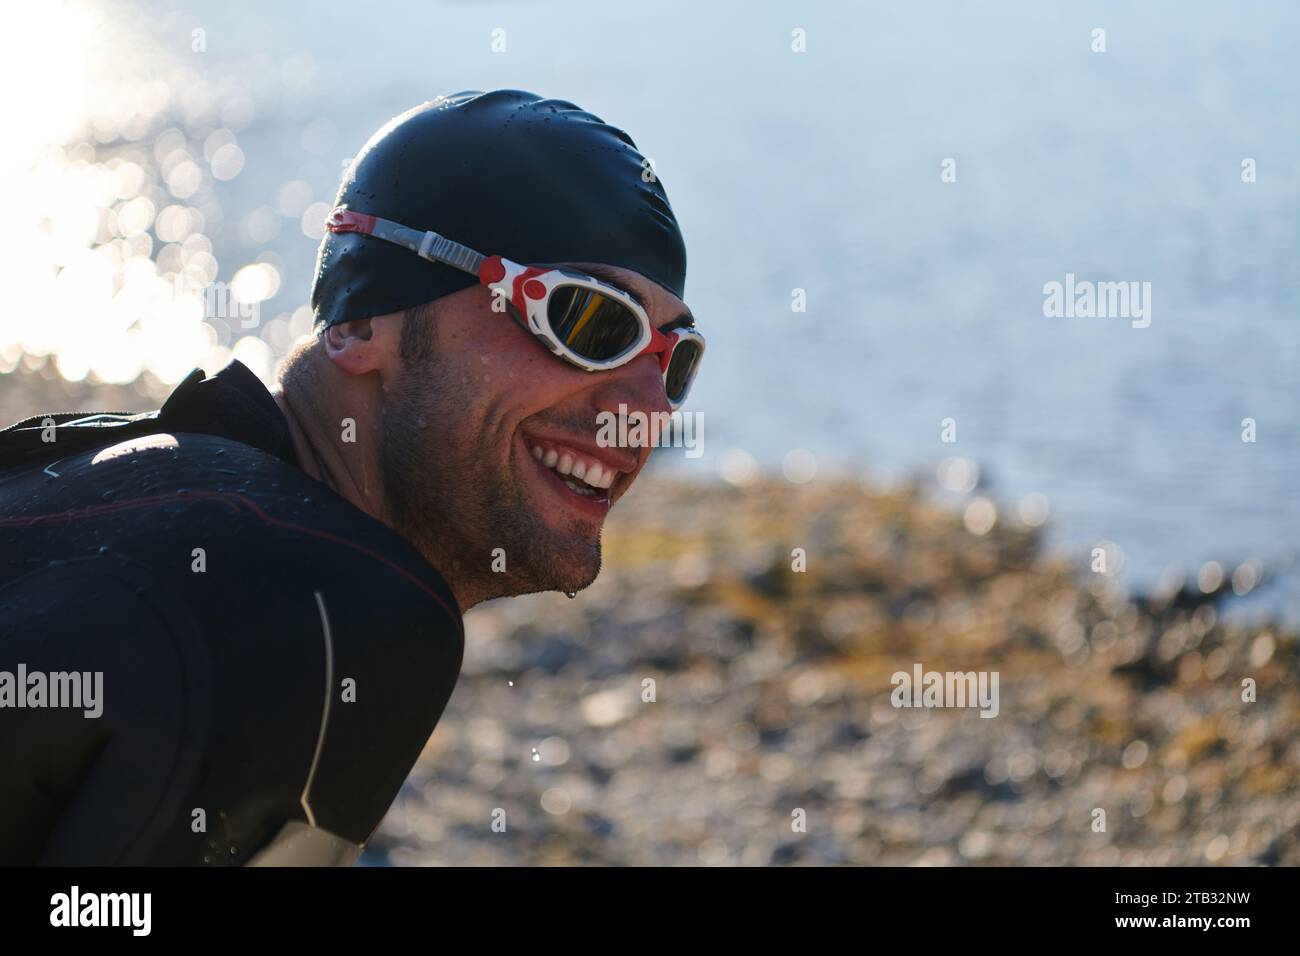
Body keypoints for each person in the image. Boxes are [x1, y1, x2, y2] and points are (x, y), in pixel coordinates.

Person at [0, 89, 702, 865]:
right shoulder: (340, 607)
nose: (644, 410)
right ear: (364, 321)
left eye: (675, 360)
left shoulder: (105, 472)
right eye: (589, 321)